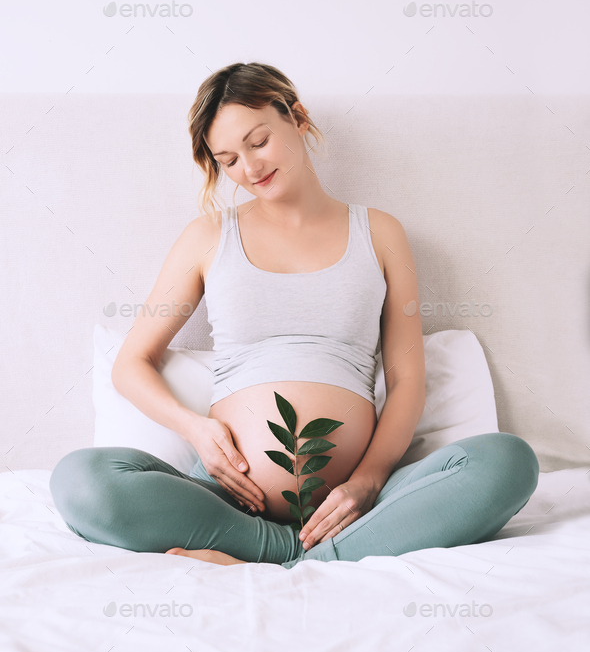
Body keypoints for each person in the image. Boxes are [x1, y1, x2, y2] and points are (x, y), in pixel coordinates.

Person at [49, 62, 539, 569]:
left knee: (508, 462)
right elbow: (131, 363)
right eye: (229, 160)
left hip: (359, 503)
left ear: (297, 117)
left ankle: (286, 555)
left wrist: (368, 481)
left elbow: (407, 379)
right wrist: (197, 430)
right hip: (224, 498)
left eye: (258, 141)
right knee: (79, 480)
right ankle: (303, 555)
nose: (250, 168)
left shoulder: (381, 233)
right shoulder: (208, 237)